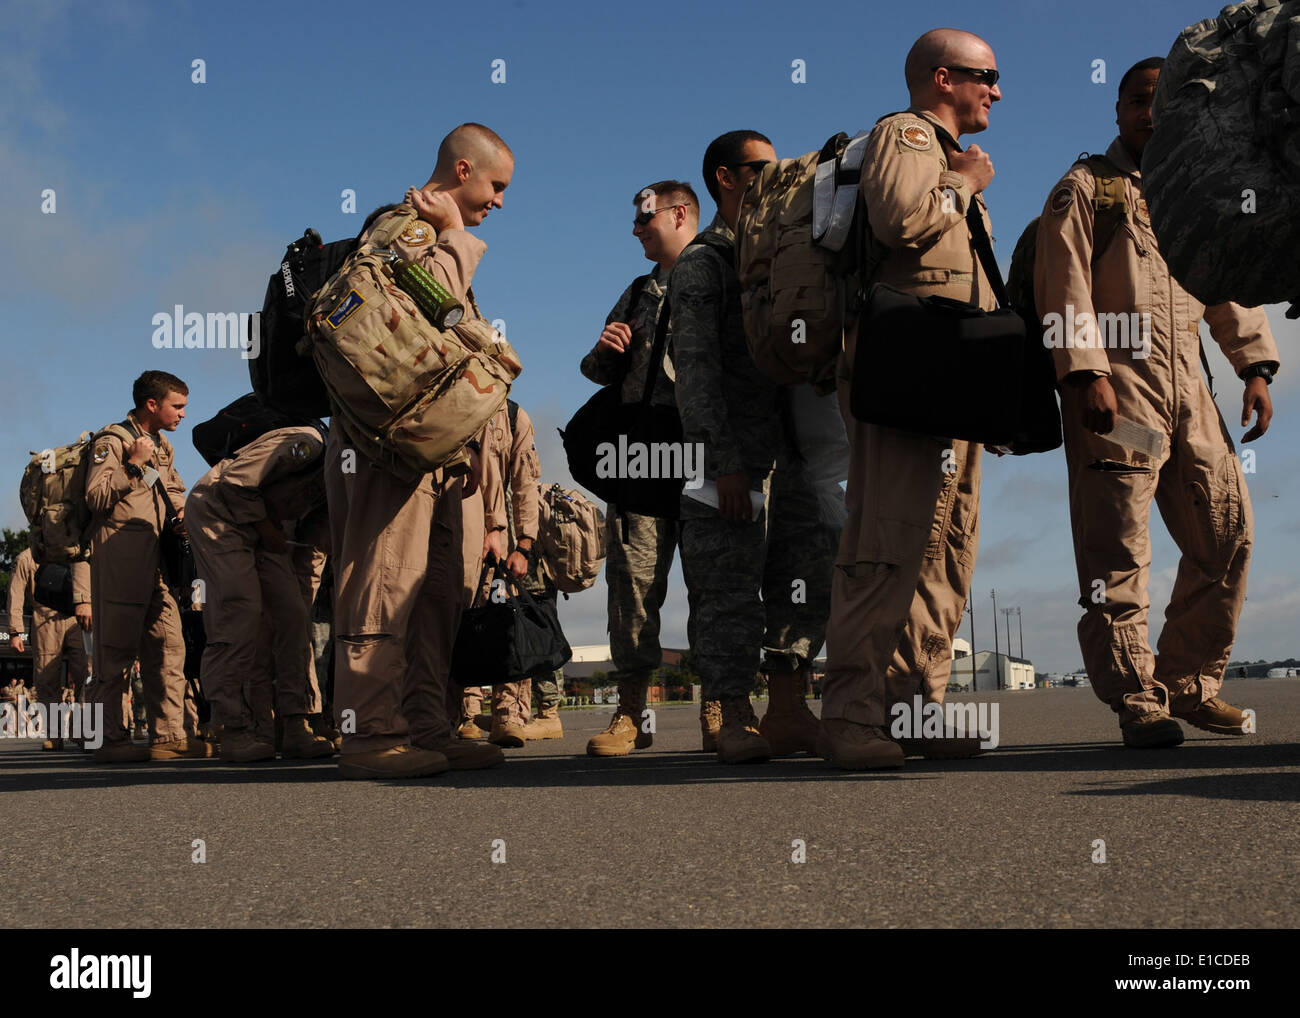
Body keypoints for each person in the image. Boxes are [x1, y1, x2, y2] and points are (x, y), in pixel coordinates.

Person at [1033, 57, 1279, 748]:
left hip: (1191, 398)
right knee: (1118, 550)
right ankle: (1137, 698)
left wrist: (1254, 366)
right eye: (1138, 100)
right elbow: (1063, 288)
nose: (1151, 113)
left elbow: (1226, 278)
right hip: (1123, 402)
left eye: (1163, 102)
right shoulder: (1085, 189)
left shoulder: (1195, 194)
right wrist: (1085, 376)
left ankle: (1190, 685)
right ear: (1117, 110)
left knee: (1226, 535)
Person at [818, 29, 1002, 769]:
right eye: (985, 75)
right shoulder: (908, 134)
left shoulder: (948, 155)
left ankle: (914, 708)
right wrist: (965, 182)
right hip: (900, 368)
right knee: (887, 538)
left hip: (948, 373)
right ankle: (851, 712)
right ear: (941, 76)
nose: (996, 90)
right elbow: (899, 219)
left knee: (944, 546)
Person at [325, 122, 513, 779]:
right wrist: (458, 240)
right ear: (463, 172)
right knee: (385, 580)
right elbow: (429, 312)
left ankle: (427, 725)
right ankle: (371, 733)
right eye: (495, 185)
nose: (499, 201)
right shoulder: (409, 226)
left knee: (437, 593)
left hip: (433, 447)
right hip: (388, 444)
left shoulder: (430, 230)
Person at [670, 132, 832, 763]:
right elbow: (697, 371)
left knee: (801, 578)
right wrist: (721, 463)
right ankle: (733, 716)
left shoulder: (780, 254)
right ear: (724, 178)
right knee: (729, 592)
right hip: (729, 461)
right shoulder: (705, 262)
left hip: (793, 457)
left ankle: (789, 710)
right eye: (760, 169)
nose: (775, 177)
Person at [579, 180, 697, 756]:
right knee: (632, 582)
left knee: (718, 582)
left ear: (680, 213)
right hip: (641, 457)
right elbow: (595, 370)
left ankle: (725, 709)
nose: (635, 229)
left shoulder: (722, 273)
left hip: (705, 451)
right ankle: (631, 714)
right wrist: (607, 350)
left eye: (644, 218)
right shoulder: (637, 291)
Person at [185, 425, 336, 762]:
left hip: (268, 527)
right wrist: (266, 529)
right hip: (220, 514)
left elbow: (320, 530)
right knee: (238, 616)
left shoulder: (346, 471)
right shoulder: (307, 444)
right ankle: (236, 729)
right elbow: (236, 482)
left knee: (293, 618)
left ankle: (294, 725)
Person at [84, 370, 212, 762]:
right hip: (121, 557)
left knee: (169, 645)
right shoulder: (113, 441)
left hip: (156, 560)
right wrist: (134, 465)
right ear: (152, 405)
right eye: (178, 406)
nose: (183, 414)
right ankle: (109, 740)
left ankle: (168, 734)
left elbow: (169, 486)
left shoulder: (161, 445)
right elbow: (96, 496)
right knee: (116, 650)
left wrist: (181, 511)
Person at [6, 548, 89, 749]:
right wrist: (15, 631)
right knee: (46, 679)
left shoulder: (77, 551)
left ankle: (81, 731)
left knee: (87, 675)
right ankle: (54, 734)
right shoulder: (26, 557)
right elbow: (15, 593)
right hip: (44, 619)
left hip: (77, 616)